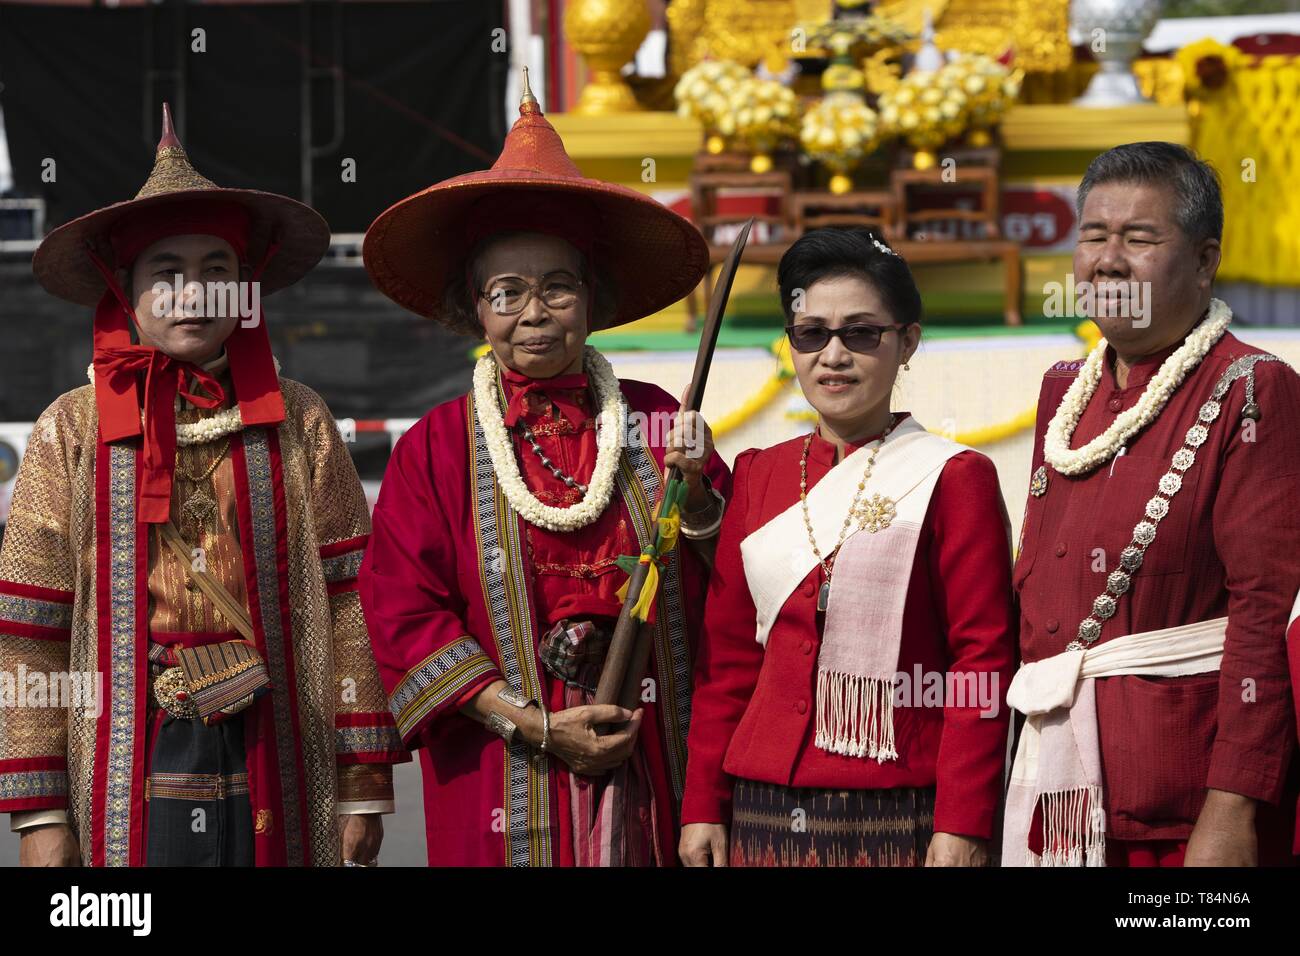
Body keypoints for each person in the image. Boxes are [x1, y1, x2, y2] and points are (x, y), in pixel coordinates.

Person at [0, 105, 405, 867]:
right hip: (127, 746)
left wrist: (361, 780)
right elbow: (30, 629)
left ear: (243, 290)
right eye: (167, 273)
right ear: (124, 290)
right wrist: (39, 813)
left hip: (277, 737)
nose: (194, 293)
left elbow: (353, 599)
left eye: (216, 272)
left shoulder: (302, 420)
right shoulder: (72, 430)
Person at [358, 72, 730, 866]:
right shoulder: (437, 445)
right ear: (475, 306)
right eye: (508, 292)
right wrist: (530, 722)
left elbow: (738, 581)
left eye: (558, 288)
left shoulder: (659, 415)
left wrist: (698, 498)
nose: (534, 312)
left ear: (591, 299)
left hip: (655, 740)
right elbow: (400, 611)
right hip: (503, 758)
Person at [679, 227, 1016, 867]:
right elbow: (725, 663)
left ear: (907, 341)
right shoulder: (755, 474)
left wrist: (965, 822)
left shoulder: (954, 477)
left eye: (861, 333)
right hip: (764, 804)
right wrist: (702, 804)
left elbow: (982, 660)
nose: (833, 355)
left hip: (898, 804)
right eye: (812, 334)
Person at [1005, 141, 1300, 867]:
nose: (1107, 260)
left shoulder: (1252, 388)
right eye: (1094, 236)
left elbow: (1265, 613)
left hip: (1180, 797)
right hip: (1051, 783)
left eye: (1139, 239)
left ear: (1204, 261)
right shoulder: (1063, 387)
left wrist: (1233, 809)